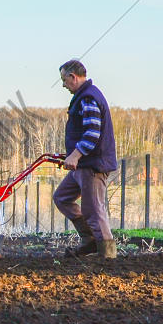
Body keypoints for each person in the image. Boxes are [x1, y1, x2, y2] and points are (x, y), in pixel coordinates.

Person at [53, 59, 117, 259]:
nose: (63, 85)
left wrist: (75, 155)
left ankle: (108, 255)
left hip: (93, 165)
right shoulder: (83, 97)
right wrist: (70, 155)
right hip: (82, 165)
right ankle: (90, 240)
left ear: (73, 76)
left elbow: (92, 133)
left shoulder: (88, 97)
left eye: (64, 80)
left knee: (93, 210)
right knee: (62, 197)